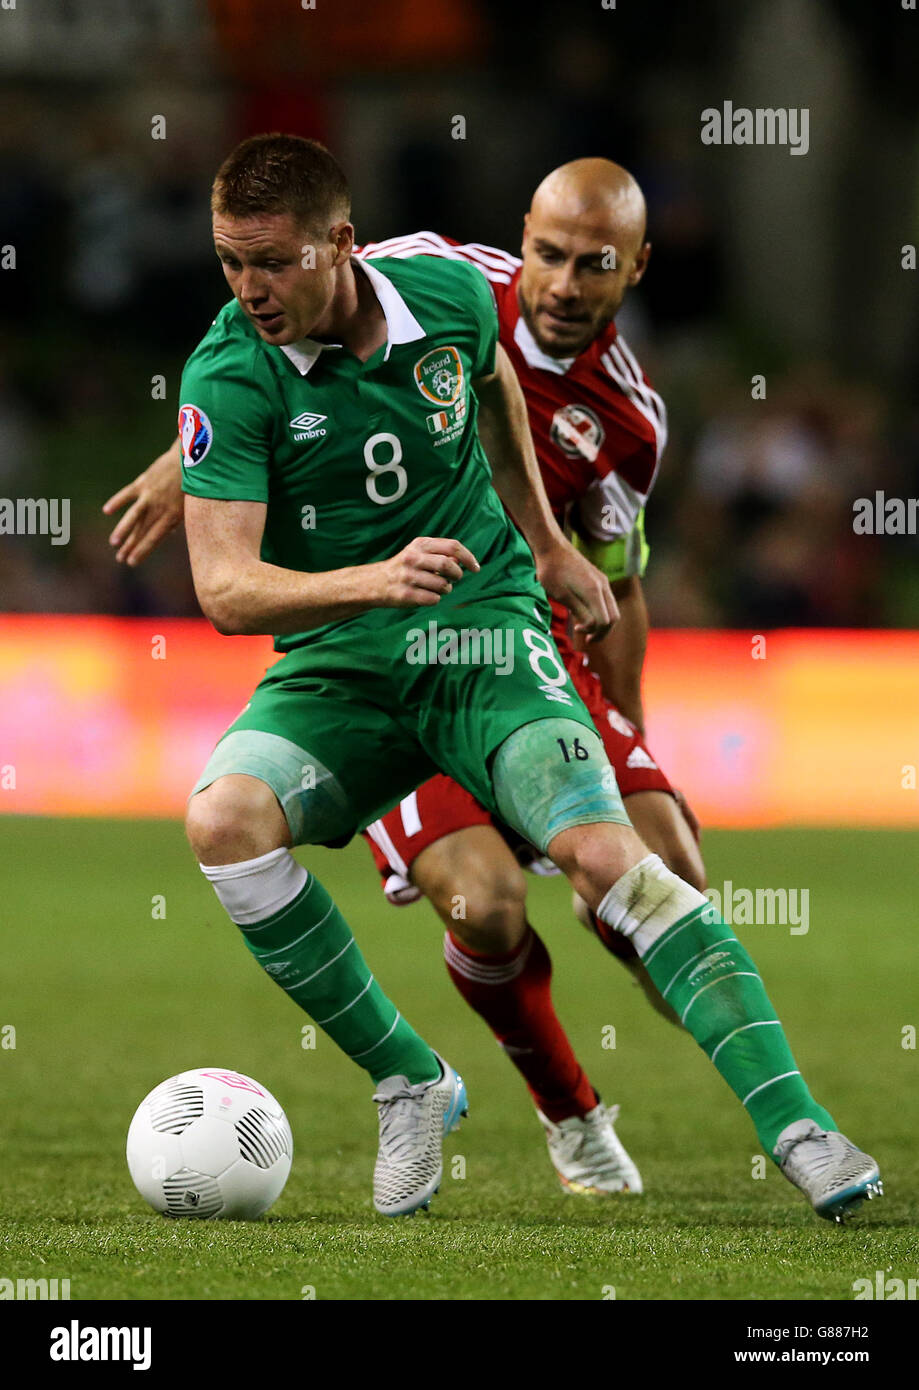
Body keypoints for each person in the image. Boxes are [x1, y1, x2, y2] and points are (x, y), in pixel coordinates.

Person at [109, 133, 881, 1224]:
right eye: (230, 263)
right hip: (342, 657)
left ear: (340, 245)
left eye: (271, 263)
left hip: (482, 634)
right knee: (229, 822)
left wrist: (549, 547)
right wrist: (369, 575)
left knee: (618, 857)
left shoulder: (449, 301)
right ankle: (414, 1079)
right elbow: (227, 592)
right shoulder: (228, 372)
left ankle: (798, 1126)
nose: (249, 289)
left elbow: (495, 394)